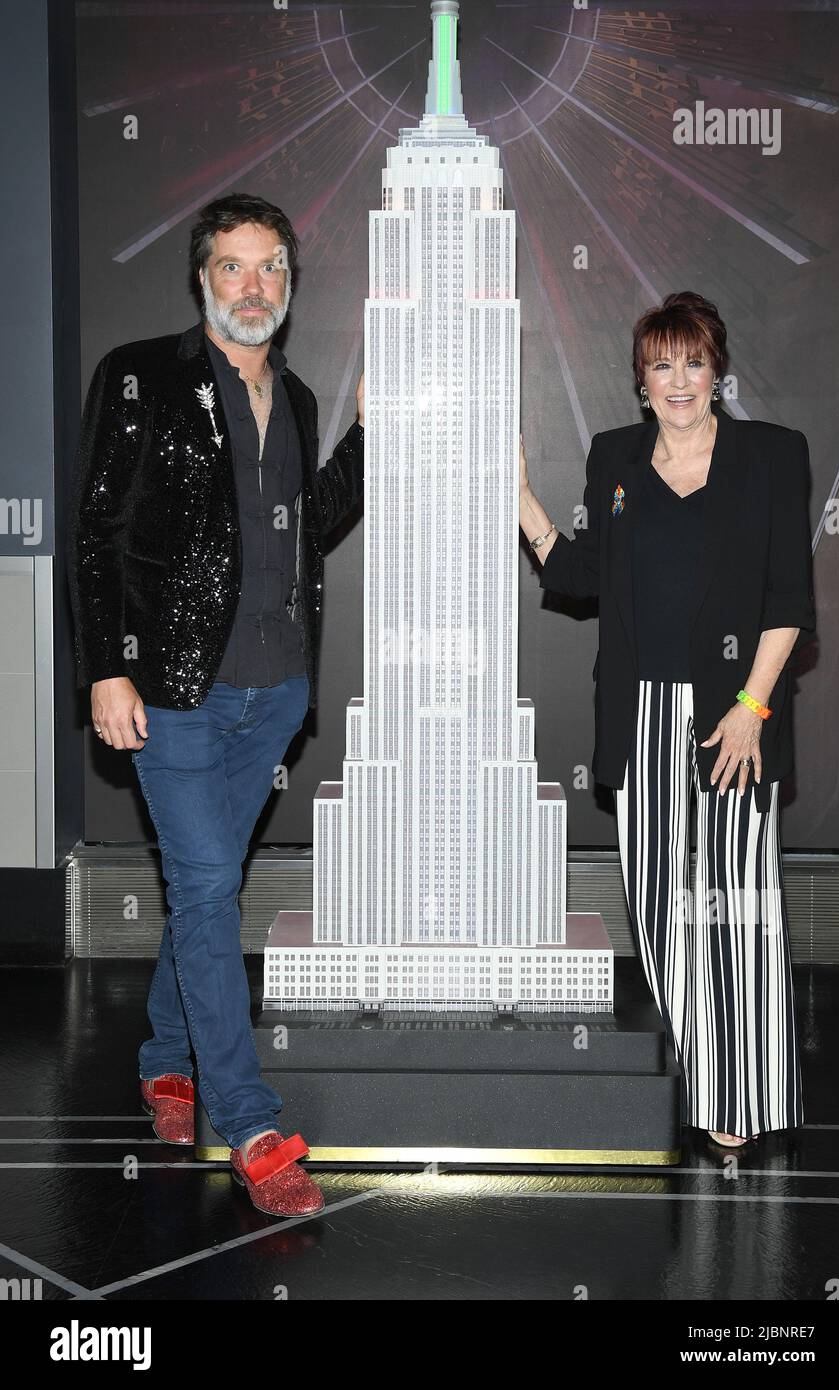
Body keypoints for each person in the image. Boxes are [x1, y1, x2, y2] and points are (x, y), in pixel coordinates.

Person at [67, 192, 365, 1216]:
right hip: (172, 691)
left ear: (289, 284)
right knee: (205, 891)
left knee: (205, 883)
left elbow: (303, 525)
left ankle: (164, 1055)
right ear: (202, 279)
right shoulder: (144, 374)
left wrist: (362, 439)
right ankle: (248, 1119)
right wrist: (105, 667)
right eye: (232, 267)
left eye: (270, 267)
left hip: (275, 691)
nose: (253, 286)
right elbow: (98, 531)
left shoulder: (303, 397)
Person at [518, 291, 816, 1148]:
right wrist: (521, 498)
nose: (677, 379)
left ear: (717, 371)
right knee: (657, 908)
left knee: (736, 907)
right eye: (661, 364)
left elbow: (788, 597)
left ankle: (745, 1096)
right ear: (640, 380)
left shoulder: (770, 454)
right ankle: (710, 1072)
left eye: (693, 362)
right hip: (643, 710)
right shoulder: (614, 457)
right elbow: (583, 575)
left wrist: (753, 707)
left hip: (735, 712)